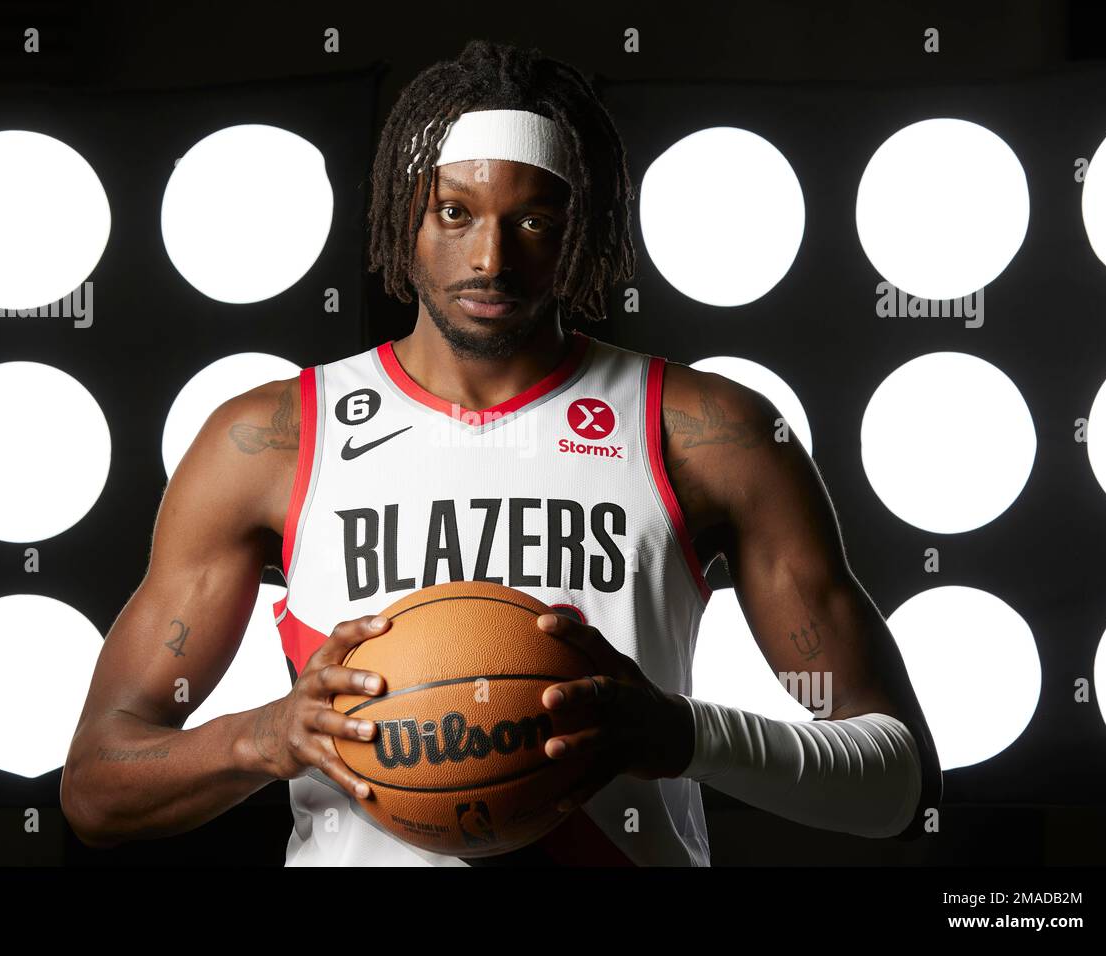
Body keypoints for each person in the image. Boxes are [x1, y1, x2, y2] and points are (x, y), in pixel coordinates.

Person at [60, 39, 941, 866]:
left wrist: (683, 735)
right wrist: (261, 737)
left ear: (581, 230)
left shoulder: (709, 431)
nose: (490, 258)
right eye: (455, 212)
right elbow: (97, 786)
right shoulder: (272, 438)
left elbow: (897, 780)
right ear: (405, 216)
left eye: (533, 221)